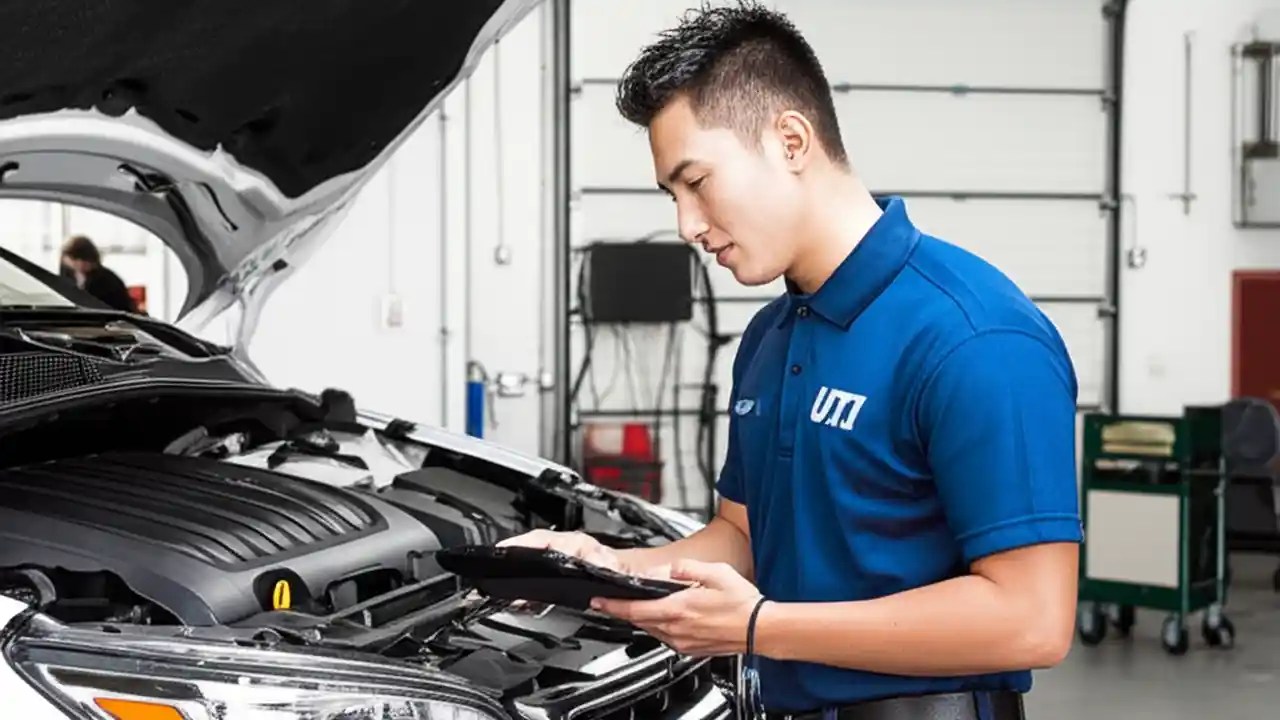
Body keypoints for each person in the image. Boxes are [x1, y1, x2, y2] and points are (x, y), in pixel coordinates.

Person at [502, 3, 1081, 718]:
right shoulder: (770, 336)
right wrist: (605, 566)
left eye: (697, 182)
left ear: (791, 140)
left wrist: (758, 627)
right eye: (672, 195)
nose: (686, 226)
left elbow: (1032, 620)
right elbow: (743, 538)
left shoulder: (974, 337)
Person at [60, 235, 138, 313]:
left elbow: (120, 306)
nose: (80, 264)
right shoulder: (65, 275)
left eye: (84, 261)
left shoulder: (108, 279)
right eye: (75, 260)